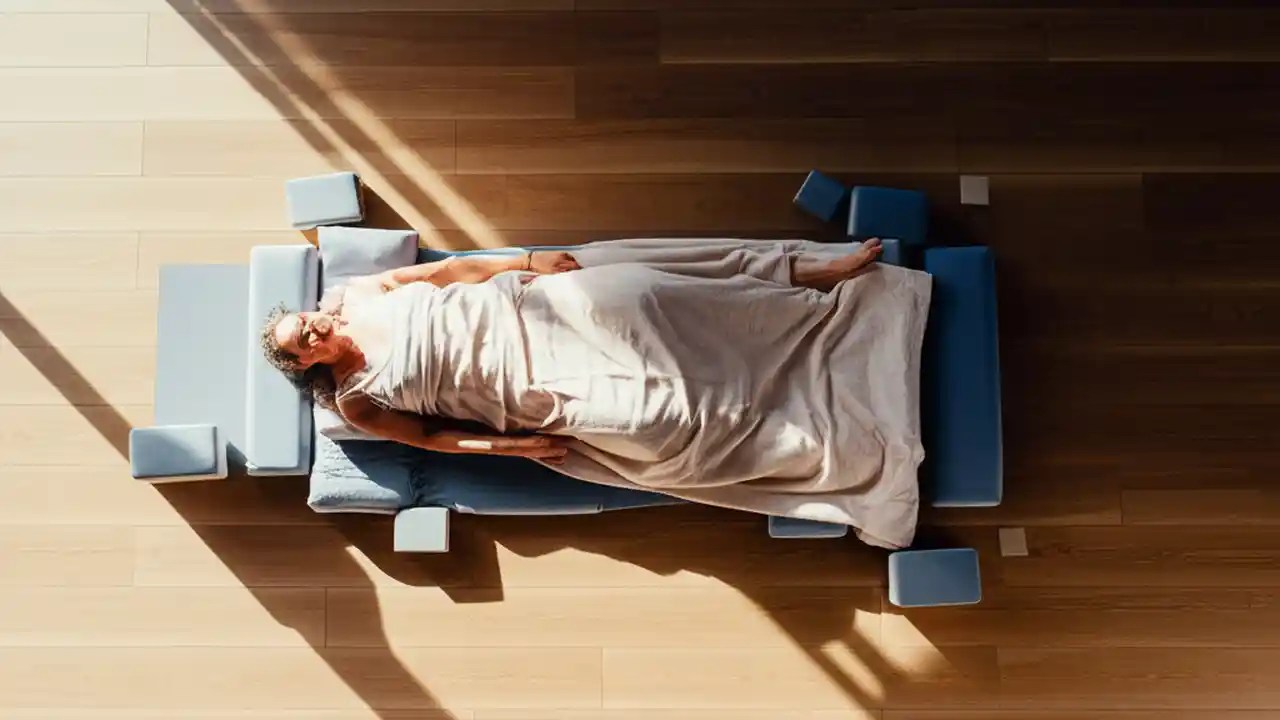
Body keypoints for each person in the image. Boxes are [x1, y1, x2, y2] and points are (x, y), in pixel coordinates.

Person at [261, 237, 933, 548]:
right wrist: (512, 448)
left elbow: (453, 272)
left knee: (647, 294)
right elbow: (432, 439)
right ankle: (841, 445)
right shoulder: (356, 401)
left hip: (532, 309)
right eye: (304, 341)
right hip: (523, 387)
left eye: (307, 319)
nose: (316, 328)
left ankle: (814, 295)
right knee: (662, 417)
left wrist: (527, 261)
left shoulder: (363, 294)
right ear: (307, 363)